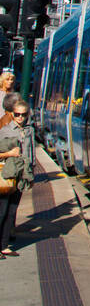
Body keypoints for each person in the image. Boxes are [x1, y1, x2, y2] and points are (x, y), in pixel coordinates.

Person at [0, 98, 34, 257]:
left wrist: (31, 173)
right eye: (17, 114)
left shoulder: (29, 131)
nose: (20, 117)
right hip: (7, 175)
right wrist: (9, 154)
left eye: (23, 114)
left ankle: (4, 245)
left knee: (12, 212)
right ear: (12, 115)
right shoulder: (5, 131)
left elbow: (31, 153)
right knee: (2, 211)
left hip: (21, 176)